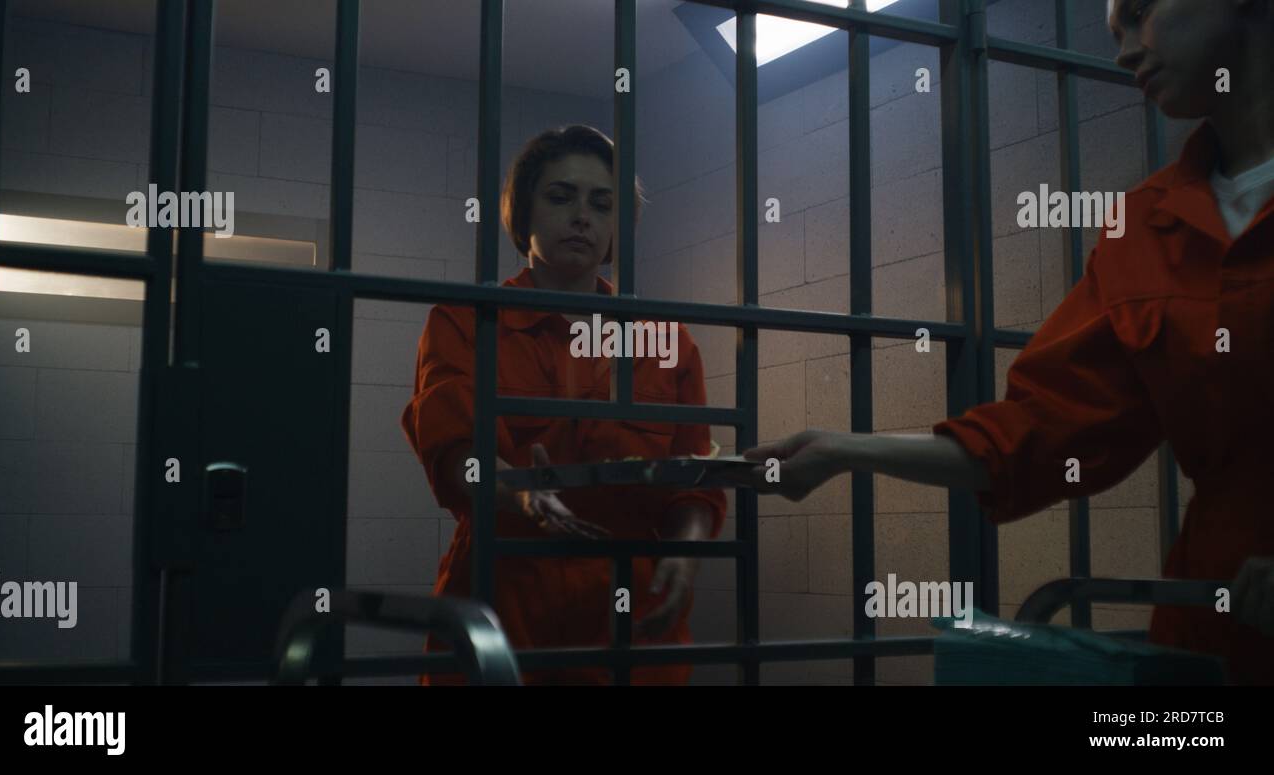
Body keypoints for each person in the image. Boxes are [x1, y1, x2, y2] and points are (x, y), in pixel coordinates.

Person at [739, 0, 1274, 685]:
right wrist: (841, 449)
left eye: (1140, 12)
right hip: (1213, 627)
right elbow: (1036, 431)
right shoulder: (1147, 228)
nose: (1123, 51)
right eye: (1112, 31)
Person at [401, 125, 726, 685]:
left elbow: (695, 477)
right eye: (561, 196)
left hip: (630, 603)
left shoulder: (665, 339)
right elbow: (452, 448)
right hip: (505, 589)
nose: (583, 216)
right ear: (522, 211)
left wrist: (685, 554)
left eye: (603, 204)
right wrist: (519, 495)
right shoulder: (466, 321)